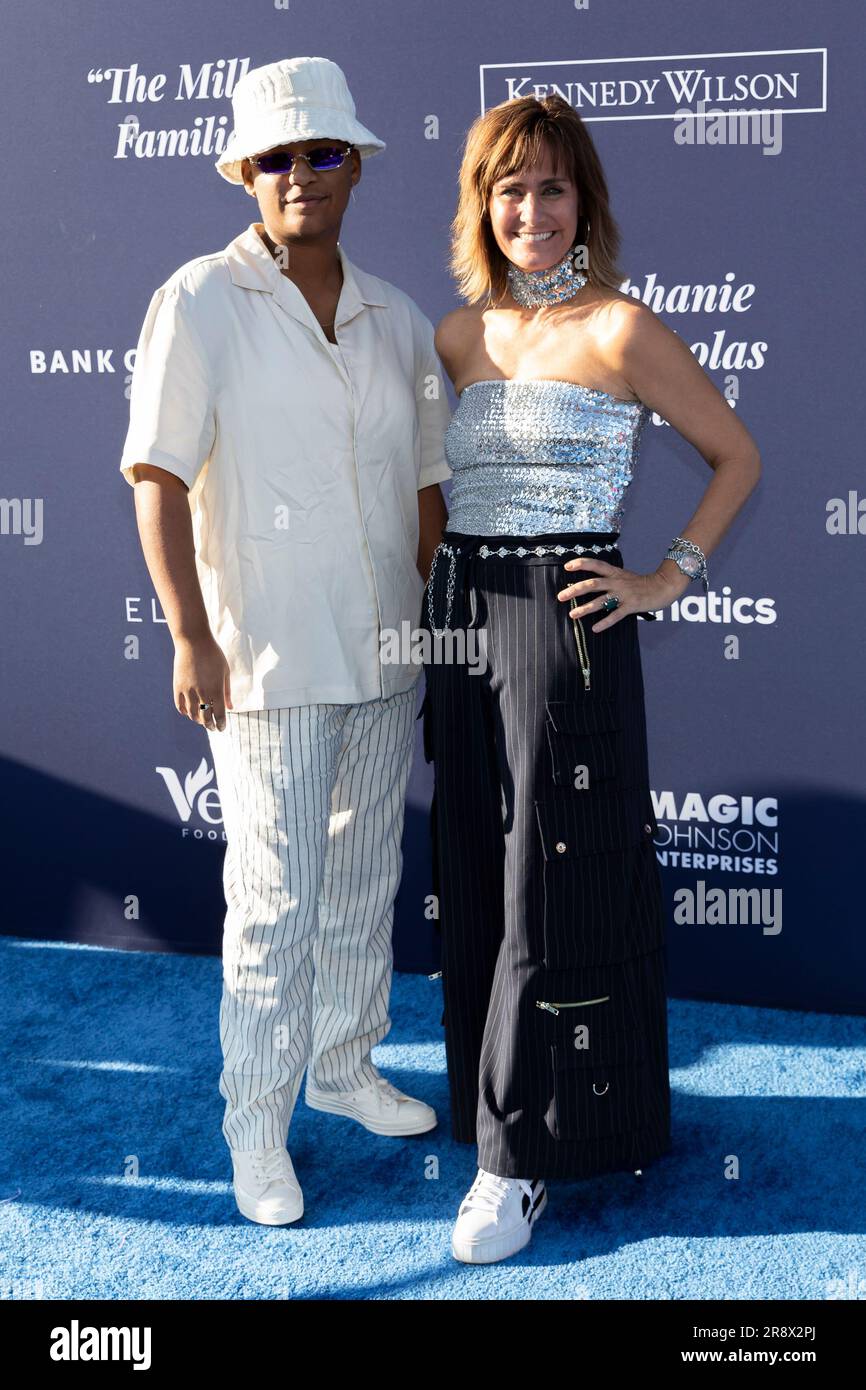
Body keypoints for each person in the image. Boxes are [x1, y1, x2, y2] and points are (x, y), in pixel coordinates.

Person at [421, 93, 761, 1264]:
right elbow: (429, 491)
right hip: (461, 621)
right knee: (471, 870)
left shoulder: (619, 329)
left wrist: (664, 576)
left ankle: (520, 1165)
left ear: (584, 203)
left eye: (551, 187)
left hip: (563, 629)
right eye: (507, 188)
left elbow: (735, 453)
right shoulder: (457, 337)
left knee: (547, 891)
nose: (530, 209)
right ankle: (490, 1113)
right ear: (482, 204)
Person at [118, 56, 452, 1226]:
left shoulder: (399, 317)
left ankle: (345, 1065)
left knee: (365, 880)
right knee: (272, 899)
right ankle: (255, 1123)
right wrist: (188, 634)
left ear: (355, 163)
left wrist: (440, 620)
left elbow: (425, 487)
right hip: (260, 657)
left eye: (321, 153)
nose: (299, 174)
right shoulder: (200, 299)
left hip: (385, 650)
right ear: (244, 174)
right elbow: (154, 474)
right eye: (275, 157)